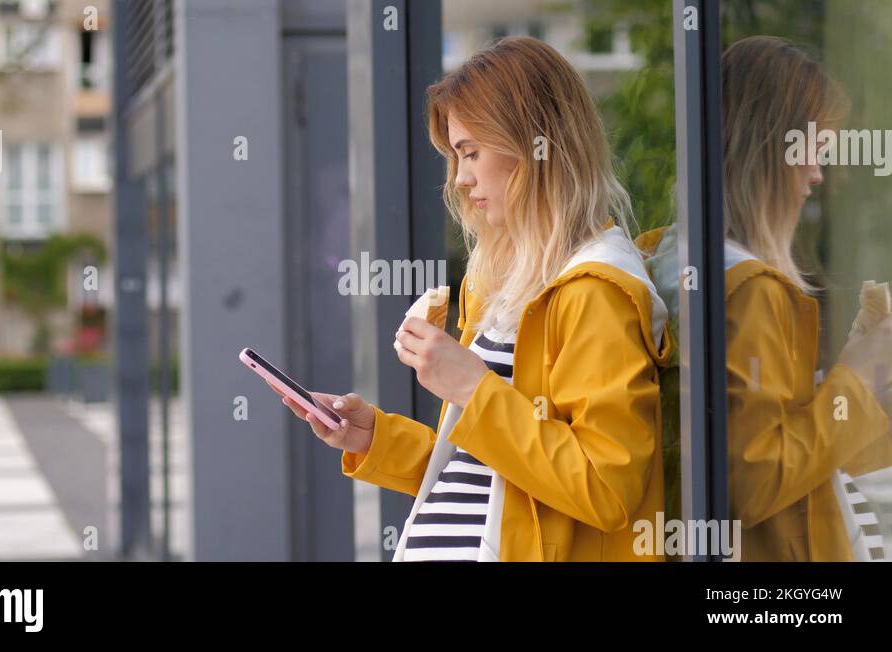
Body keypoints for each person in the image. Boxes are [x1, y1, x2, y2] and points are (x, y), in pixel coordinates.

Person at [277, 36, 671, 561]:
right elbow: (494, 480)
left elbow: (605, 486)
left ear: (535, 145)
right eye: (456, 157)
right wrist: (375, 439)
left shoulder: (596, 290)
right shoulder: (502, 286)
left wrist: (472, 387)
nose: (461, 179)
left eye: (471, 152)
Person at [644, 36, 892, 560]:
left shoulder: (671, 258)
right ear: (769, 147)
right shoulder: (748, 289)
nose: (818, 175)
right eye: (814, 151)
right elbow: (759, 480)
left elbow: (784, 443)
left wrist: (861, 390)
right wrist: (859, 374)